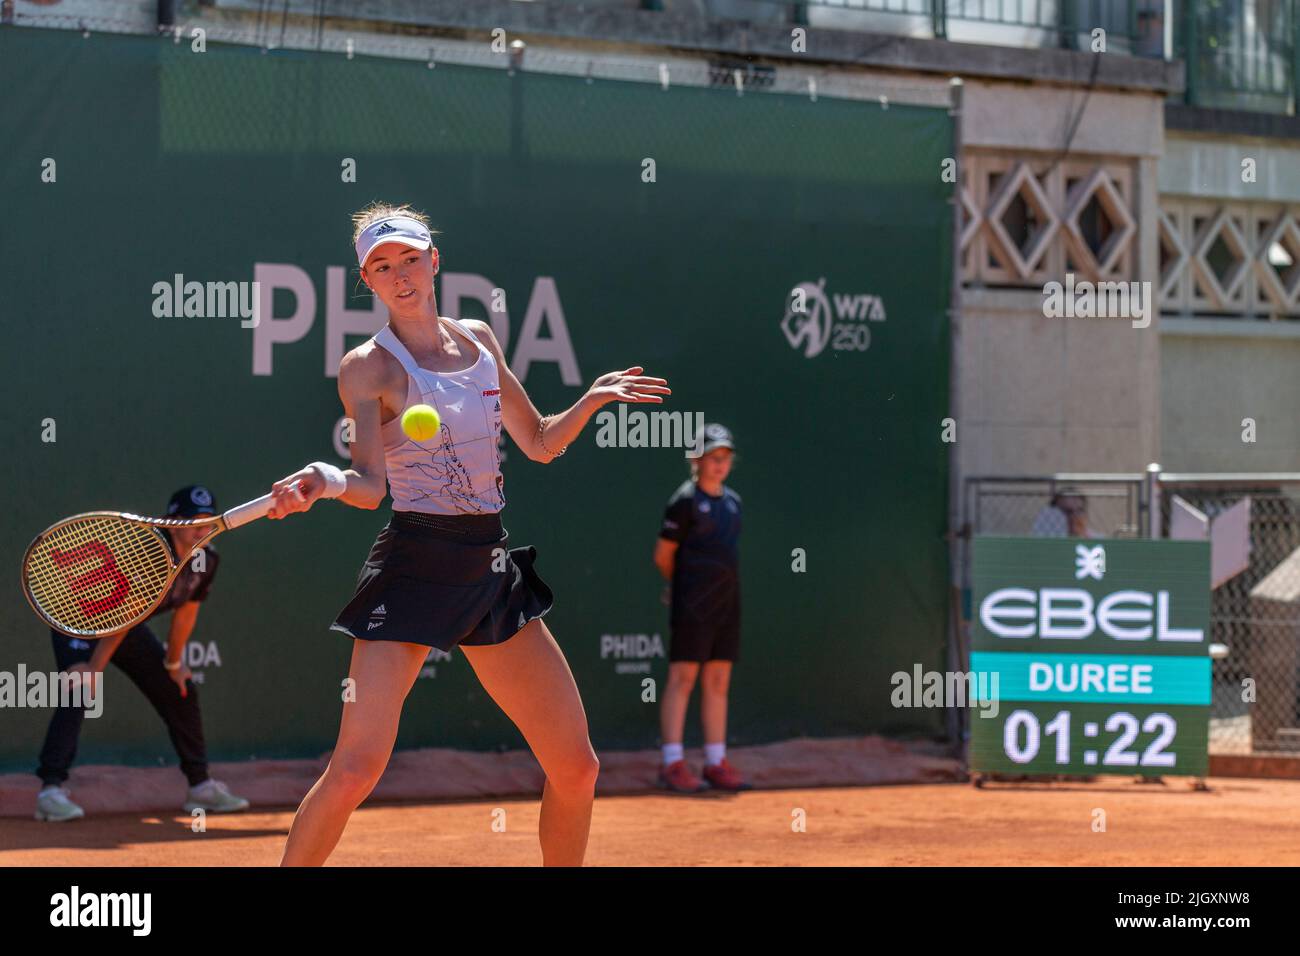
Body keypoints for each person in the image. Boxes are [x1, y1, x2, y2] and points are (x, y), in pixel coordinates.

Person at [265, 203, 669, 866]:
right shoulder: (368, 367)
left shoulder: (480, 339)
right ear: (367, 279)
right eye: (381, 266)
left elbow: (538, 441)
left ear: (434, 261)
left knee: (577, 768)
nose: (399, 275)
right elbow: (368, 485)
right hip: (415, 566)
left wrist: (591, 399)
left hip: (487, 570)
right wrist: (322, 479)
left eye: (409, 259)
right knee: (355, 770)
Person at [34, 485, 251, 821]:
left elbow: (186, 614)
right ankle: (50, 791)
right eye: (194, 521)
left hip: (125, 626)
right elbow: (122, 618)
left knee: (179, 689)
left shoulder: (207, 559)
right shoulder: (148, 553)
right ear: (171, 522)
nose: (203, 529)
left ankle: (200, 788)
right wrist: (93, 669)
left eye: (209, 522)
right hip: (81, 621)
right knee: (80, 688)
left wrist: (174, 663)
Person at [653, 423, 748, 793]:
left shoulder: (734, 503)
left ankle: (715, 761)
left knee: (719, 680)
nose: (720, 464)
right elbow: (664, 556)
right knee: (683, 678)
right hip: (692, 603)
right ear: (697, 460)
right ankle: (672, 762)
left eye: (725, 458)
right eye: (712, 457)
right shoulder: (684, 501)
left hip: (728, 602)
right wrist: (683, 589)